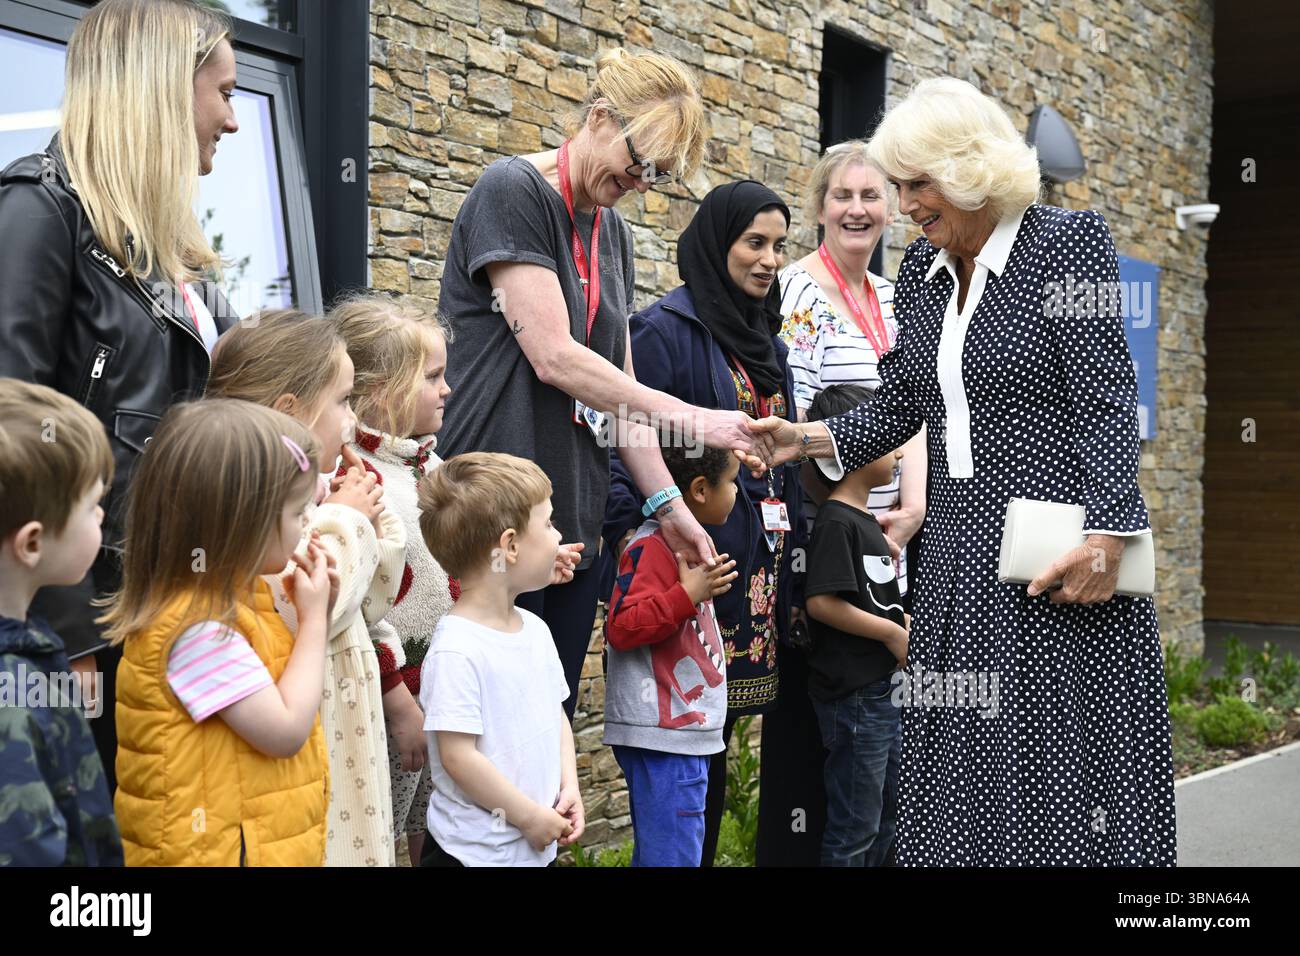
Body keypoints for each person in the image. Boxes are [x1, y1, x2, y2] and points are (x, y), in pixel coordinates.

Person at [749, 77, 1176, 865]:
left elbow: (1109, 398)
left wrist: (1110, 538)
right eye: (900, 186)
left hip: (1054, 563)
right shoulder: (921, 272)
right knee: (959, 783)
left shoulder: (1068, 243)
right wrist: (800, 439)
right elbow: (899, 405)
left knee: (1057, 773)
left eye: (918, 184)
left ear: (969, 167)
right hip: (953, 563)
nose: (904, 204)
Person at [437, 48, 759, 715]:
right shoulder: (513, 191)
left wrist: (670, 512)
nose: (643, 181)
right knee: (487, 749)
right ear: (600, 117)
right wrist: (693, 418)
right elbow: (554, 356)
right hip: (491, 513)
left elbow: (619, 398)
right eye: (641, 160)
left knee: (543, 731)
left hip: (568, 521)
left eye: (659, 174)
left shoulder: (612, 233)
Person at [0, 0, 241, 791]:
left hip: (163, 609)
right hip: (81, 631)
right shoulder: (40, 213)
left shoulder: (163, 254)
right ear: (164, 90)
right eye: (226, 92)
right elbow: (14, 433)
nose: (234, 121)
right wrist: (66, 643)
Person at [602, 180, 803, 865]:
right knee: (690, 759)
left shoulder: (762, 336)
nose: (770, 259)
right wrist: (659, 540)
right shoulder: (663, 331)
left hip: (753, 581)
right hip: (688, 583)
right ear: (718, 245)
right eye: (754, 243)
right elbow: (625, 449)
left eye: (779, 245)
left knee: (717, 749)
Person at [206, 310, 406, 867]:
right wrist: (345, 518)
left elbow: (376, 590)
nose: (351, 419)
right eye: (342, 400)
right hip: (313, 728)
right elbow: (306, 600)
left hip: (345, 714)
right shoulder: (250, 510)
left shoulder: (316, 496)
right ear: (288, 411)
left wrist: (363, 508)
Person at [103, 400, 333, 866]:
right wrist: (315, 622)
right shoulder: (198, 633)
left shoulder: (228, 598)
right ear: (240, 524)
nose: (306, 522)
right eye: (295, 513)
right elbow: (285, 730)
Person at [415, 453, 584, 867]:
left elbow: (555, 712)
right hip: (473, 856)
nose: (558, 534)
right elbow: (458, 757)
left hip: (531, 848)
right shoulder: (457, 649)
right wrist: (527, 817)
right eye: (547, 524)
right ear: (509, 546)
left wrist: (569, 784)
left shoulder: (535, 629)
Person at [0, 380, 123, 866]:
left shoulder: (27, 650)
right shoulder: (12, 695)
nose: (101, 514)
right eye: (91, 504)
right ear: (32, 543)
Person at [604, 442, 740, 867]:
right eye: (733, 482)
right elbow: (623, 626)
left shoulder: (677, 546)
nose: (739, 493)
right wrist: (686, 595)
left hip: (679, 736)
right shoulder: (651, 547)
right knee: (673, 857)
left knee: (666, 853)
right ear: (700, 489)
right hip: (665, 739)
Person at [802, 384, 907, 867]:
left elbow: (873, 600)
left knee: (887, 818)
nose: (900, 448)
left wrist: (900, 619)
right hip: (857, 698)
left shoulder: (866, 521)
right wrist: (890, 633)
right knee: (855, 828)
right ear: (857, 444)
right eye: (889, 436)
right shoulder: (836, 523)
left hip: (883, 691)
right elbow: (822, 602)